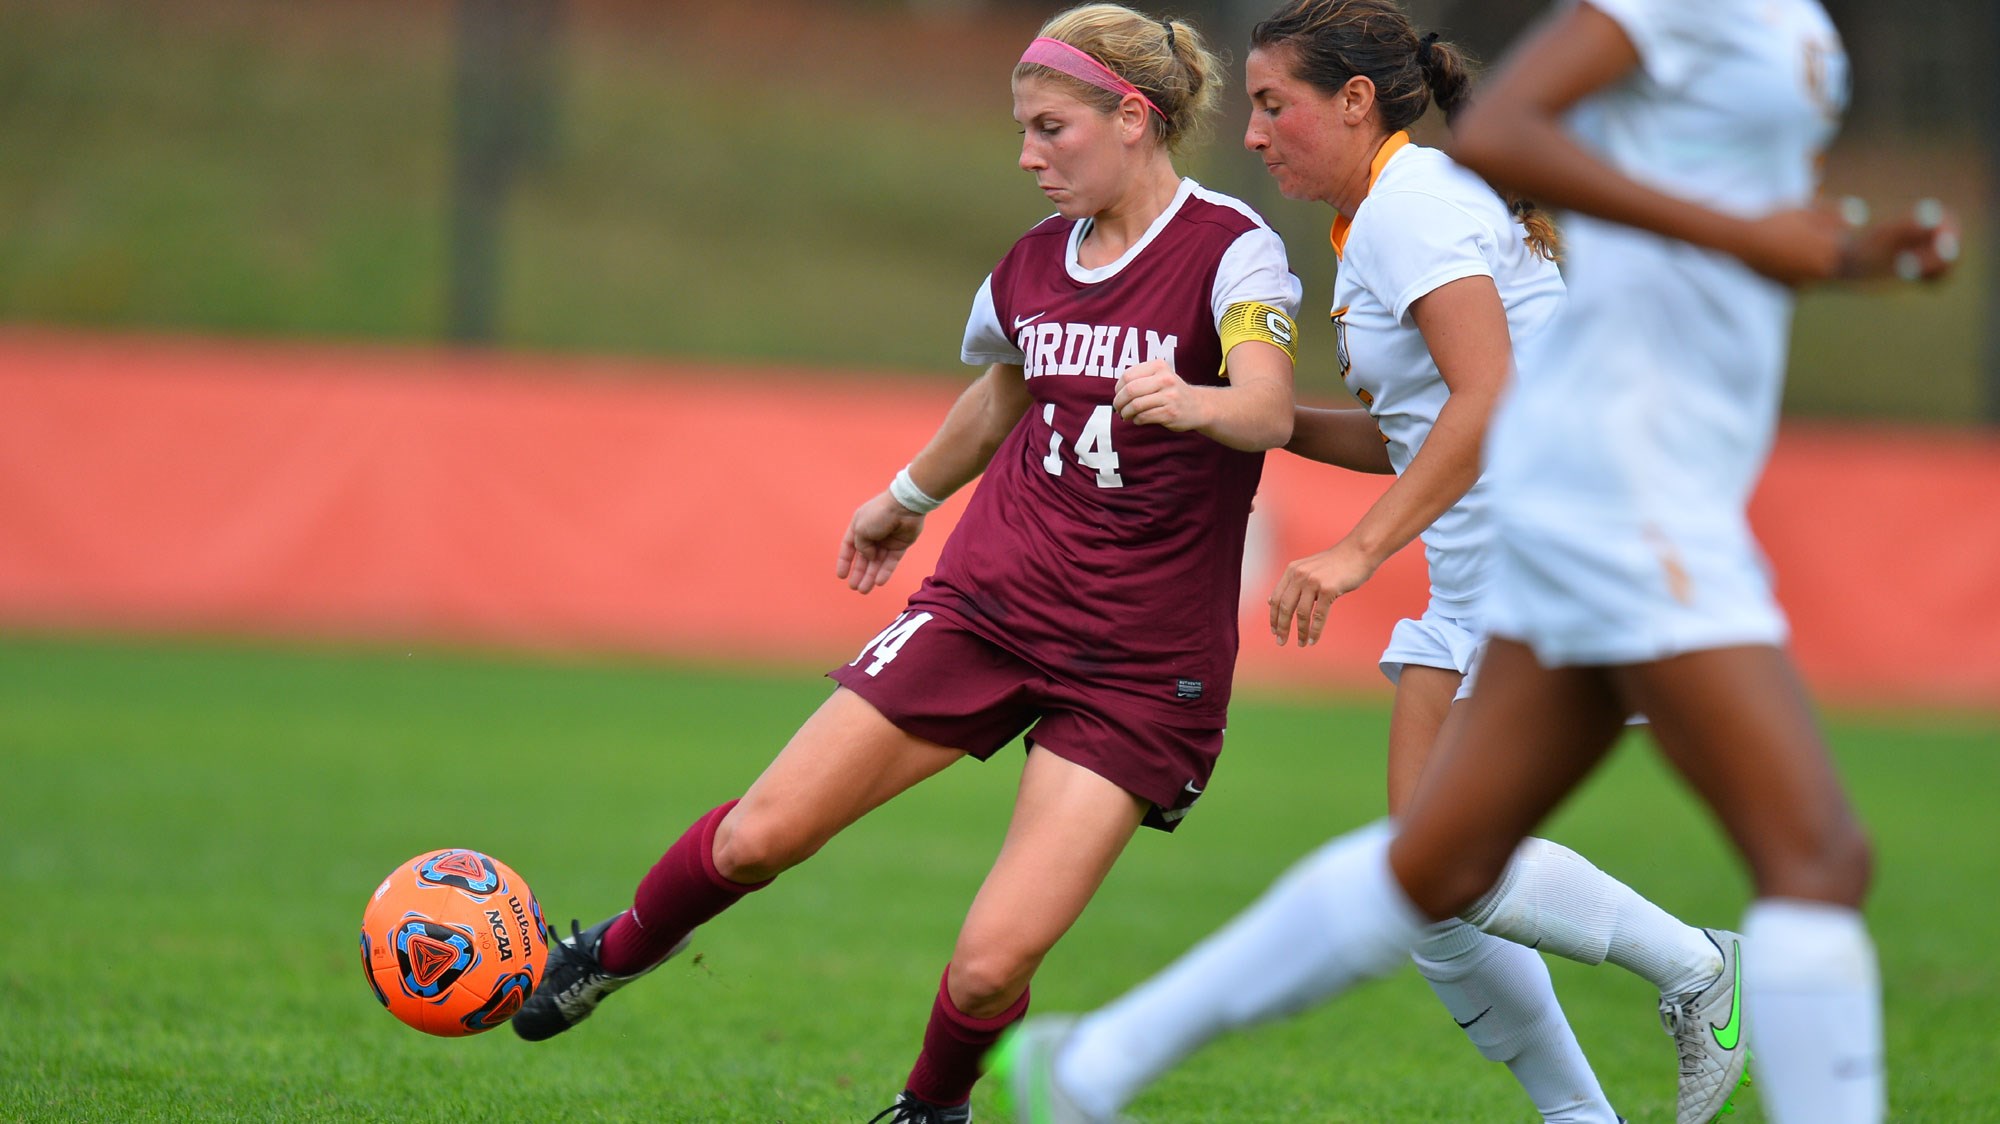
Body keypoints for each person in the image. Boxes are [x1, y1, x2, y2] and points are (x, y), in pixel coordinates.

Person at [994, 0, 1958, 1121]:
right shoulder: (1397, 212)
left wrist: (1353, 549)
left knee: (1442, 870)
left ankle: (1097, 1063)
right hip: (1581, 519)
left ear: (1355, 102)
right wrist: (1244, 414)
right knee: (1480, 872)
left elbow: (1485, 393)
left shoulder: (1413, 207)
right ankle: (1652, 1021)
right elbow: (1444, 408)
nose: (1251, 134)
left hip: (1570, 521)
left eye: (1272, 105)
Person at [507, 6, 1304, 1122]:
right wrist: (902, 499)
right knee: (756, 834)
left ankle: (928, 1107)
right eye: (1021, 131)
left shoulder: (1229, 247)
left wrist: (1197, 396)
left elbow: (1266, 408)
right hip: (990, 605)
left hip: (1139, 665)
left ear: (1132, 117)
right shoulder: (1031, 263)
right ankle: (613, 949)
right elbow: (1001, 394)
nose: (1027, 156)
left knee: (985, 970)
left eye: (1049, 128)